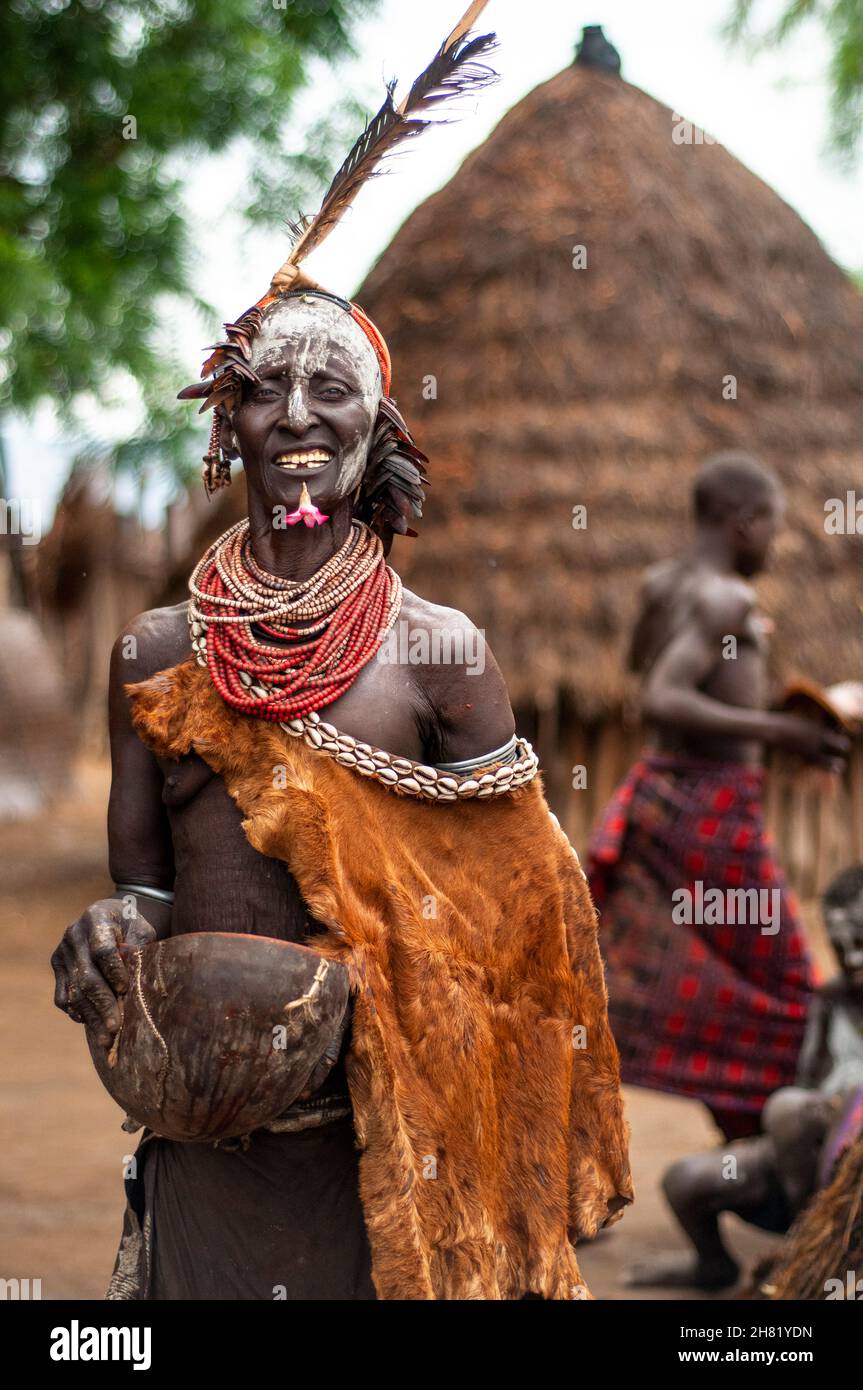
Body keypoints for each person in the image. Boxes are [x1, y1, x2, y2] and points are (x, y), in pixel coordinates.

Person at [50, 11, 632, 1302]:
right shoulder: (157, 649)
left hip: (392, 1163)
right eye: (266, 386)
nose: (299, 412)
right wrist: (106, 937)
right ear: (228, 420)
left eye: (334, 391)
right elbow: (144, 890)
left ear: (380, 434)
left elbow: (519, 927)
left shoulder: (441, 658)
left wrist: (400, 995)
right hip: (205, 1143)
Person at [587, 452, 849, 1145]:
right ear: (743, 521)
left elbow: (646, 664)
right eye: (773, 528)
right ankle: (799, 1162)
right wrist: (780, 729)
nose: (775, 543)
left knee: (713, 989)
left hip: (663, 796)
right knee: (790, 990)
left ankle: (741, 1153)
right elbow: (661, 695)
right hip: (710, 807)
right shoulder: (725, 597)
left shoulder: (662, 584)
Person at [624, 864, 863, 1291]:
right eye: (841, 947)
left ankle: (809, 1245)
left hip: (853, 1171)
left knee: (789, 1110)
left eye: (861, 941)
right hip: (801, 1153)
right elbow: (808, 1082)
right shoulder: (829, 1001)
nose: (853, 958)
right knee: (687, 1179)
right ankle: (714, 1263)